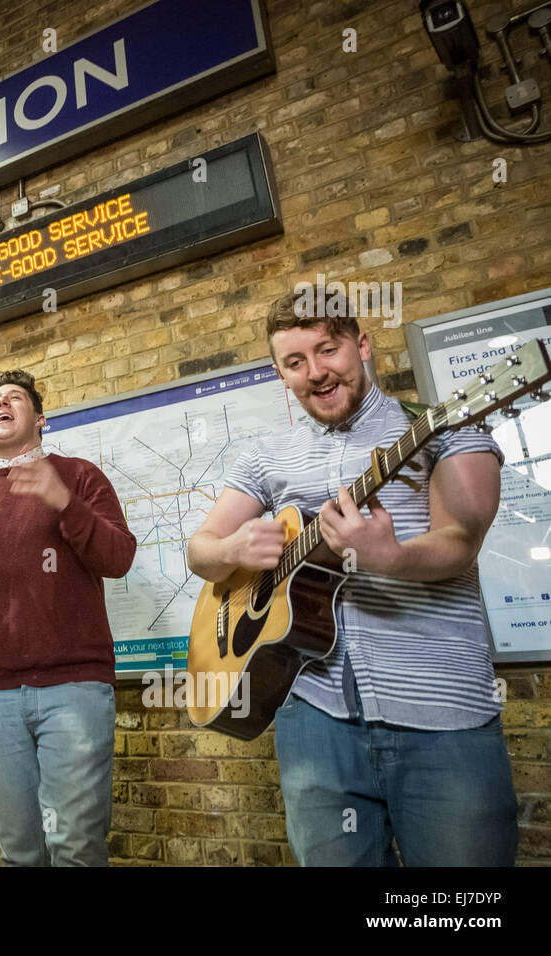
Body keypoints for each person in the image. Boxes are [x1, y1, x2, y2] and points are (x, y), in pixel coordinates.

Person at [186, 291, 518, 866]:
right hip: (314, 716)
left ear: (361, 346)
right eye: (295, 362)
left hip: (442, 714)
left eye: (328, 350)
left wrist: (388, 557)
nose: (316, 373)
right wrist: (236, 546)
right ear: (280, 373)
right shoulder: (265, 455)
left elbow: (461, 541)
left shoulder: (443, 426)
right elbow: (200, 551)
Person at [0, 370, 136, 867]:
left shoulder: (78, 475)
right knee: (19, 853)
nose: (1, 403)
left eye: (14, 397)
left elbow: (119, 557)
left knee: (75, 848)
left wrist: (63, 502)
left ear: (39, 418)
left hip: (75, 688)